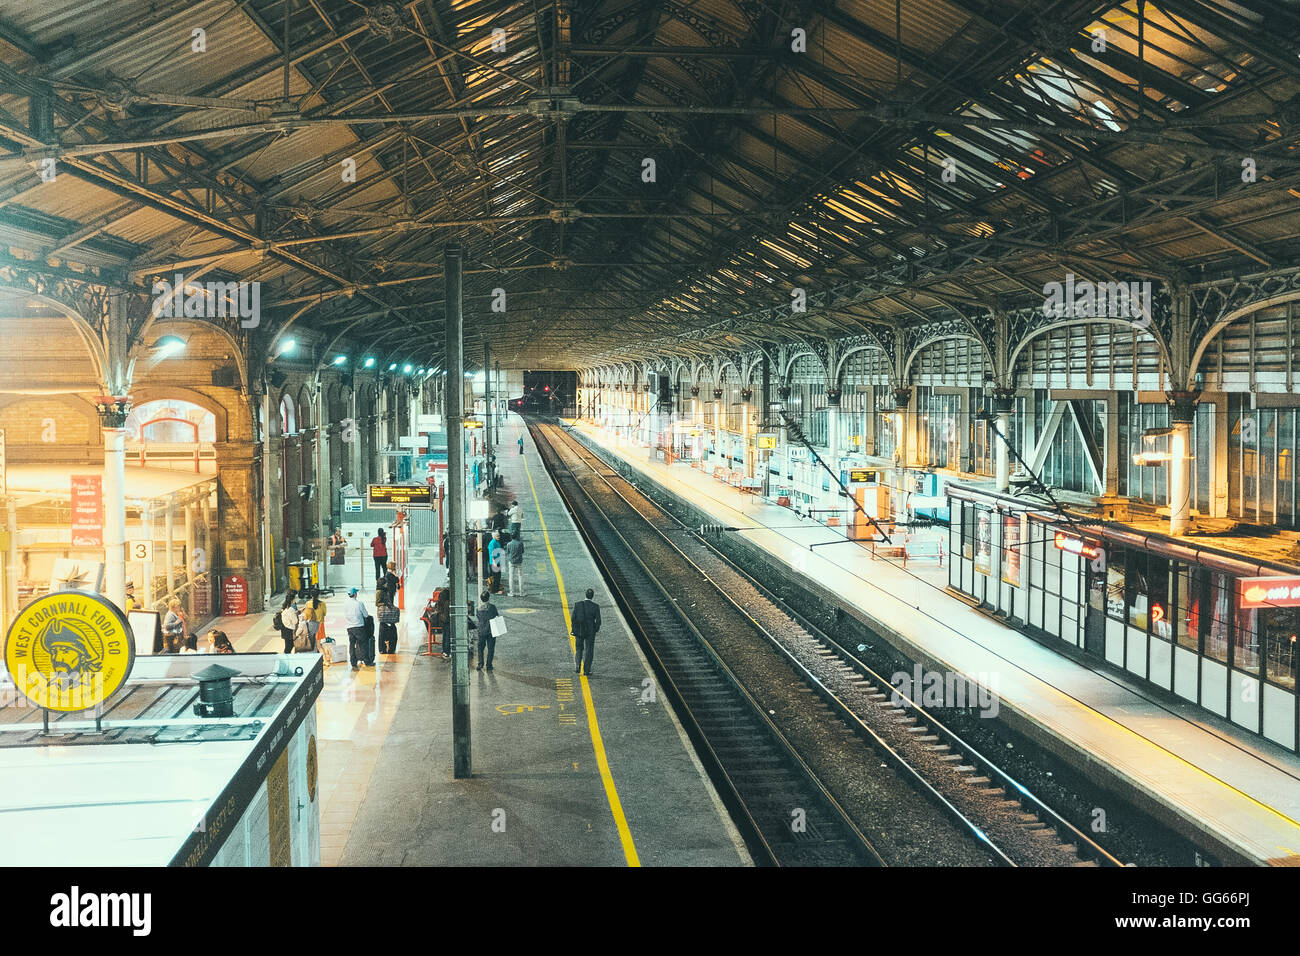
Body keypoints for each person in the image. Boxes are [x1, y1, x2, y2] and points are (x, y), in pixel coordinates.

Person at [571, 588, 602, 677]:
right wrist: (595, 630)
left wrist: (574, 628)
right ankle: (586, 670)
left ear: (585, 595)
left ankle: (577, 666)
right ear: (592, 596)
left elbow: (573, 618)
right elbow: (598, 621)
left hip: (580, 630)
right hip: (590, 631)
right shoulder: (596, 606)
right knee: (589, 650)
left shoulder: (578, 605)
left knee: (579, 648)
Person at [343, 587, 372, 670]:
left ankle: (353, 662)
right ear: (355, 594)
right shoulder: (359, 603)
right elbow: (366, 615)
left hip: (349, 627)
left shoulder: (345, 604)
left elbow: (345, 615)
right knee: (363, 644)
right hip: (359, 627)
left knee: (352, 645)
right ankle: (367, 661)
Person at [475, 590, 499, 671]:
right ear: (489, 598)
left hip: (481, 630)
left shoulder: (478, 609)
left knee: (480, 648)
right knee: (491, 648)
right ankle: (489, 665)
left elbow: (478, 618)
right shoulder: (492, 607)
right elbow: (496, 615)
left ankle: (480, 663)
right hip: (491, 630)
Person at [506, 530, 525, 597]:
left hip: (511, 562)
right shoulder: (520, 543)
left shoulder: (509, 544)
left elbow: (508, 552)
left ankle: (512, 592)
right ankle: (521, 592)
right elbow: (522, 551)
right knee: (520, 576)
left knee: (511, 577)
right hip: (519, 561)